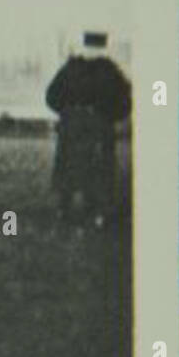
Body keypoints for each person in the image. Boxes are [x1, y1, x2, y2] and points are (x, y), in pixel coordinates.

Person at [45, 32, 131, 224]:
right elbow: (125, 103)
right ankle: (95, 213)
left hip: (74, 126)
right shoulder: (111, 71)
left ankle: (65, 210)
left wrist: (68, 113)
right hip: (99, 127)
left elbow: (52, 97)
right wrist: (108, 117)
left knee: (71, 167)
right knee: (98, 170)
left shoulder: (70, 68)